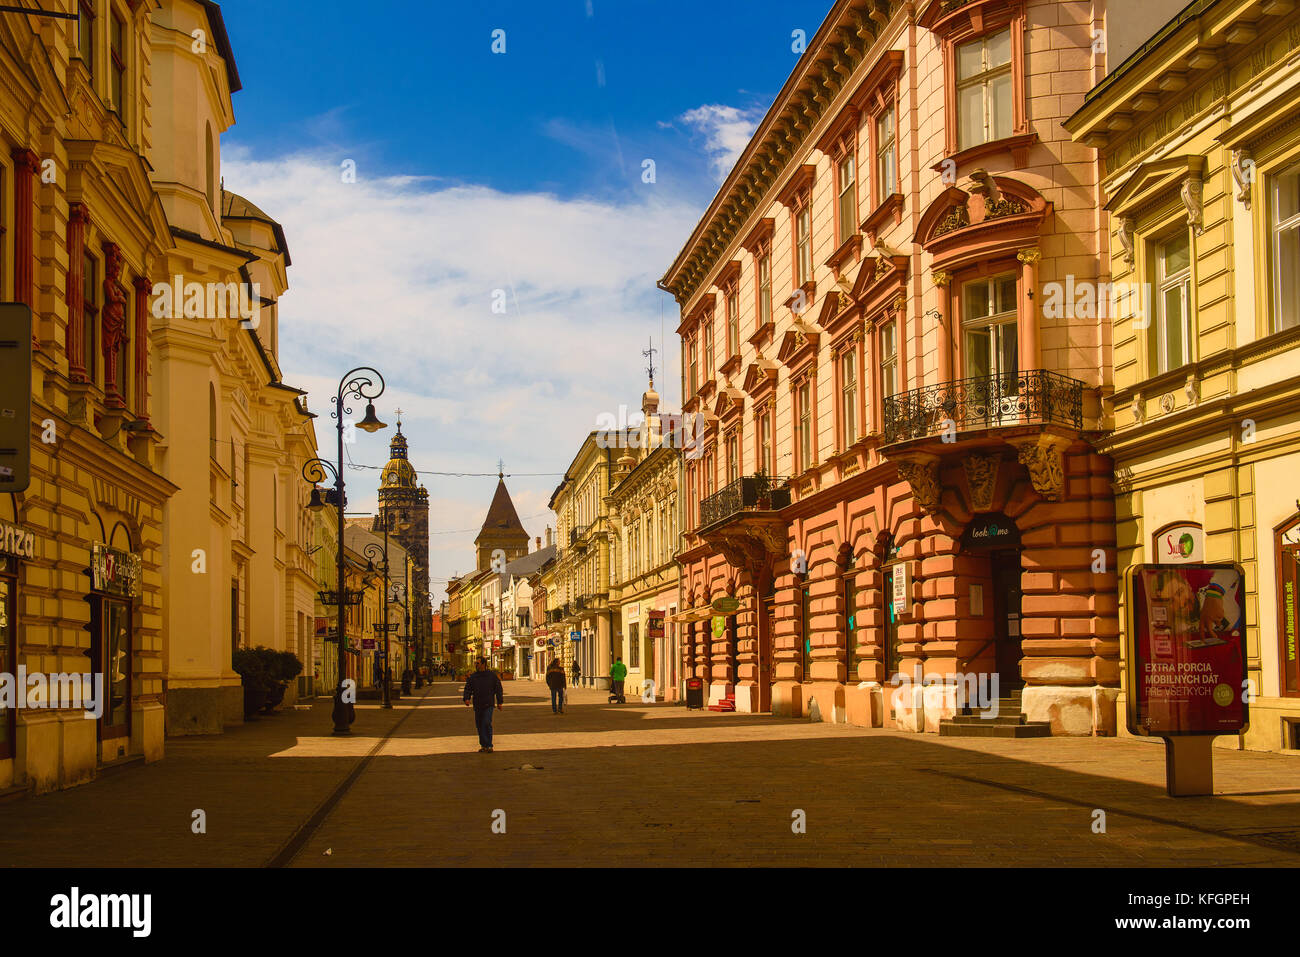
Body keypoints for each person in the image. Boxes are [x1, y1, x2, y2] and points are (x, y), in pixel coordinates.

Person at [462, 657, 504, 752]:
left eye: (477, 663)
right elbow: (468, 688)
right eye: (475, 663)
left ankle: (489, 745)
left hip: (488, 704)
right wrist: (466, 698)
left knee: (486, 722)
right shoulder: (473, 677)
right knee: (479, 725)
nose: (476, 665)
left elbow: (498, 689)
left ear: (483, 664)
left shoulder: (491, 676)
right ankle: (483, 745)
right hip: (478, 704)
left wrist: (500, 702)